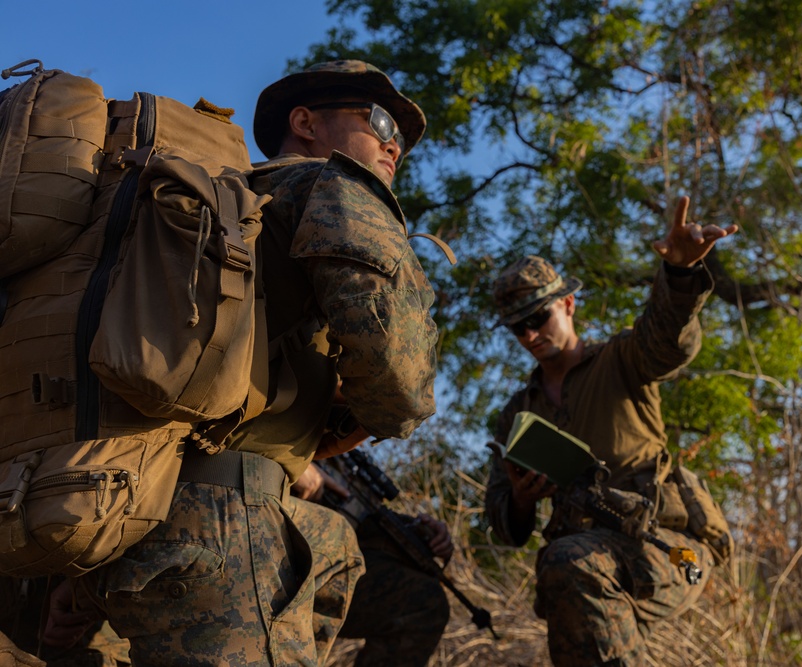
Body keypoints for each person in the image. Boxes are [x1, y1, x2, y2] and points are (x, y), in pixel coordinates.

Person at [57, 60, 440, 666]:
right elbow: (397, 378)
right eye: (380, 119)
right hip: (224, 528)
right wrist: (393, 403)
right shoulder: (329, 185)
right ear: (305, 121)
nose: (395, 142)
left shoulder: (215, 217)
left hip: (108, 507)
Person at [484, 197, 737, 666]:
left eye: (539, 318)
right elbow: (504, 525)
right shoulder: (518, 413)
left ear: (568, 303)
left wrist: (679, 277)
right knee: (568, 573)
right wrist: (521, 498)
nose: (529, 335)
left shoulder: (623, 359)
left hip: (670, 548)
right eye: (517, 328)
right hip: (585, 561)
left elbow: (668, 343)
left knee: (567, 562)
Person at [292, 460, 452, 667]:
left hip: (324, 551)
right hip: (263, 529)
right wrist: (292, 465)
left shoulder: (341, 449)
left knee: (425, 601)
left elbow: (365, 518)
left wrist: (418, 533)